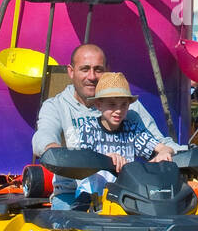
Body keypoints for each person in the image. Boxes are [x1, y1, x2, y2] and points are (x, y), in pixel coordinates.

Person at [32, 42, 175, 208]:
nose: (92, 77)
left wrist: (170, 152)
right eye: (85, 69)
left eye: (98, 69)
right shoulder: (57, 106)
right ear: (71, 72)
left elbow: (156, 141)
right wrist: (55, 152)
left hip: (122, 193)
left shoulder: (130, 108)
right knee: (72, 222)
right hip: (75, 193)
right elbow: (44, 136)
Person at [65, 72, 175, 204]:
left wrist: (164, 152)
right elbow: (82, 161)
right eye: (112, 105)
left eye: (124, 105)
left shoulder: (132, 130)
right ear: (99, 105)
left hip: (124, 198)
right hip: (92, 197)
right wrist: (106, 159)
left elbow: (163, 147)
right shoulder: (88, 129)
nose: (118, 110)